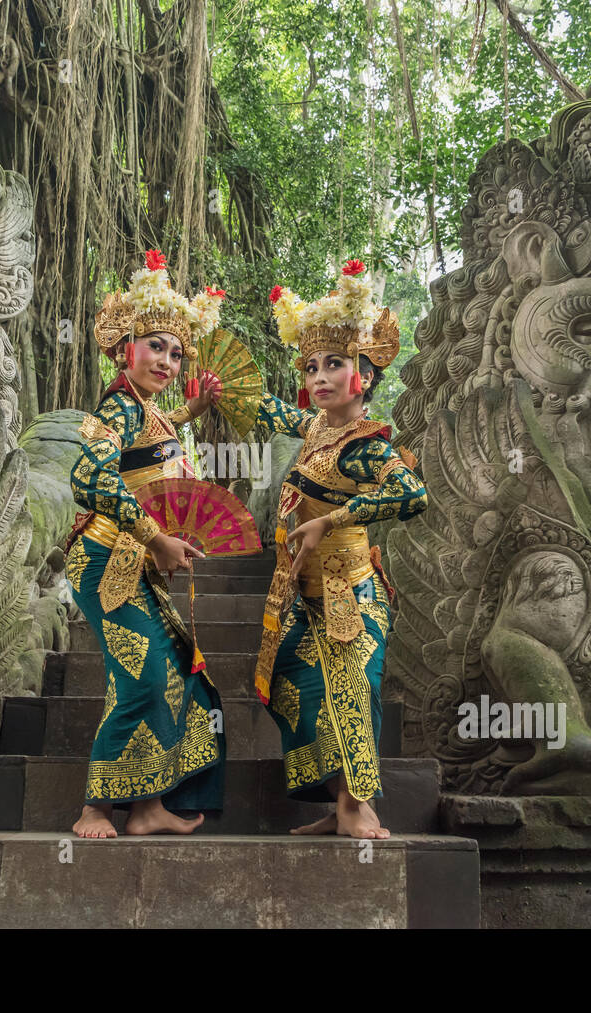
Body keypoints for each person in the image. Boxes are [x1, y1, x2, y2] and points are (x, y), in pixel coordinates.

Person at [251, 259, 428, 840]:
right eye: (313, 366)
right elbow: (265, 408)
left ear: (366, 377)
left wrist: (336, 517)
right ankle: (336, 802)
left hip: (352, 591)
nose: (321, 376)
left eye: (337, 364)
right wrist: (212, 392)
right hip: (301, 595)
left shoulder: (368, 445)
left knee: (352, 686)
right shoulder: (313, 430)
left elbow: (411, 492)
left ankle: (359, 805)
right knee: (293, 689)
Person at [66, 250, 226, 838]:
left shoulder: (147, 410)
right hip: (106, 558)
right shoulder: (116, 407)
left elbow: (151, 447)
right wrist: (156, 535)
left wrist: (195, 410)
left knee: (174, 675)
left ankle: (148, 807)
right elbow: (91, 478)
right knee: (141, 675)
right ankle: (94, 809)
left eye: (177, 352)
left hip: (137, 562)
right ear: (124, 349)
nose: (167, 359)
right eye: (155, 346)